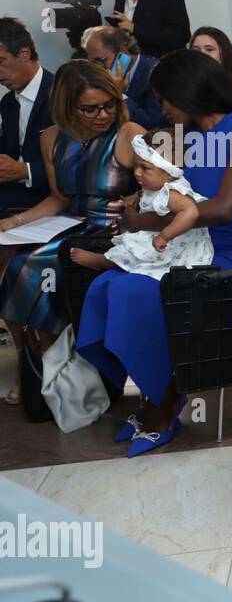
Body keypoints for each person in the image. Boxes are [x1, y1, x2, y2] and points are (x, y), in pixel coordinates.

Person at [77, 50, 232, 457]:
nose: (162, 107)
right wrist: (139, 202)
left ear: (187, 92)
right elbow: (161, 188)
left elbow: (226, 208)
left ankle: (164, 404)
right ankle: (155, 392)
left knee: (133, 291)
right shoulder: (180, 136)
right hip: (181, 247)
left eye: (164, 97)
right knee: (105, 286)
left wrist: (143, 222)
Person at [0, 62, 142, 405]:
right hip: (75, 224)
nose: (102, 115)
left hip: (116, 230)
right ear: (67, 106)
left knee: (35, 268)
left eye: (109, 105)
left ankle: (59, 368)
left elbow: (161, 186)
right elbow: (60, 198)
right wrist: (15, 222)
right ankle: (39, 362)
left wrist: (136, 200)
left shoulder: (128, 134)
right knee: (14, 270)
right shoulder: (51, 138)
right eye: (90, 109)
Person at [70, 134, 212, 278]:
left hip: (173, 243)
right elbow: (148, 193)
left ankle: (100, 262)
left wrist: (164, 236)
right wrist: (136, 196)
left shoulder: (172, 193)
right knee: (130, 245)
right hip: (157, 235)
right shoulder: (157, 185)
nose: (137, 173)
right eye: (136, 166)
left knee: (128, 253)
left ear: (169, 173)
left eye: (144, 168)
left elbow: (191, 213)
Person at [0, 17, 54, 213]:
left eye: (0, 61)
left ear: (24, 54)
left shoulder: (60, 94)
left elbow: (79, 163)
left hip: (49, 199)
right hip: (12, 195)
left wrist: (27, 171)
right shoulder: (8, 102)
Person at [84, 26, 165, 129]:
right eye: (92, 63)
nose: (97, 68)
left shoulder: (156, 73)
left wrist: (120, 95)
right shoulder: (103, 78)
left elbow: (154, 125)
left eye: (100, 60)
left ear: (123, 52)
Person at [190, 27, 232, 108]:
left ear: (224, 54)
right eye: (196, 50)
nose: (201, 54)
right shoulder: (189, 84)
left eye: (209, 49)